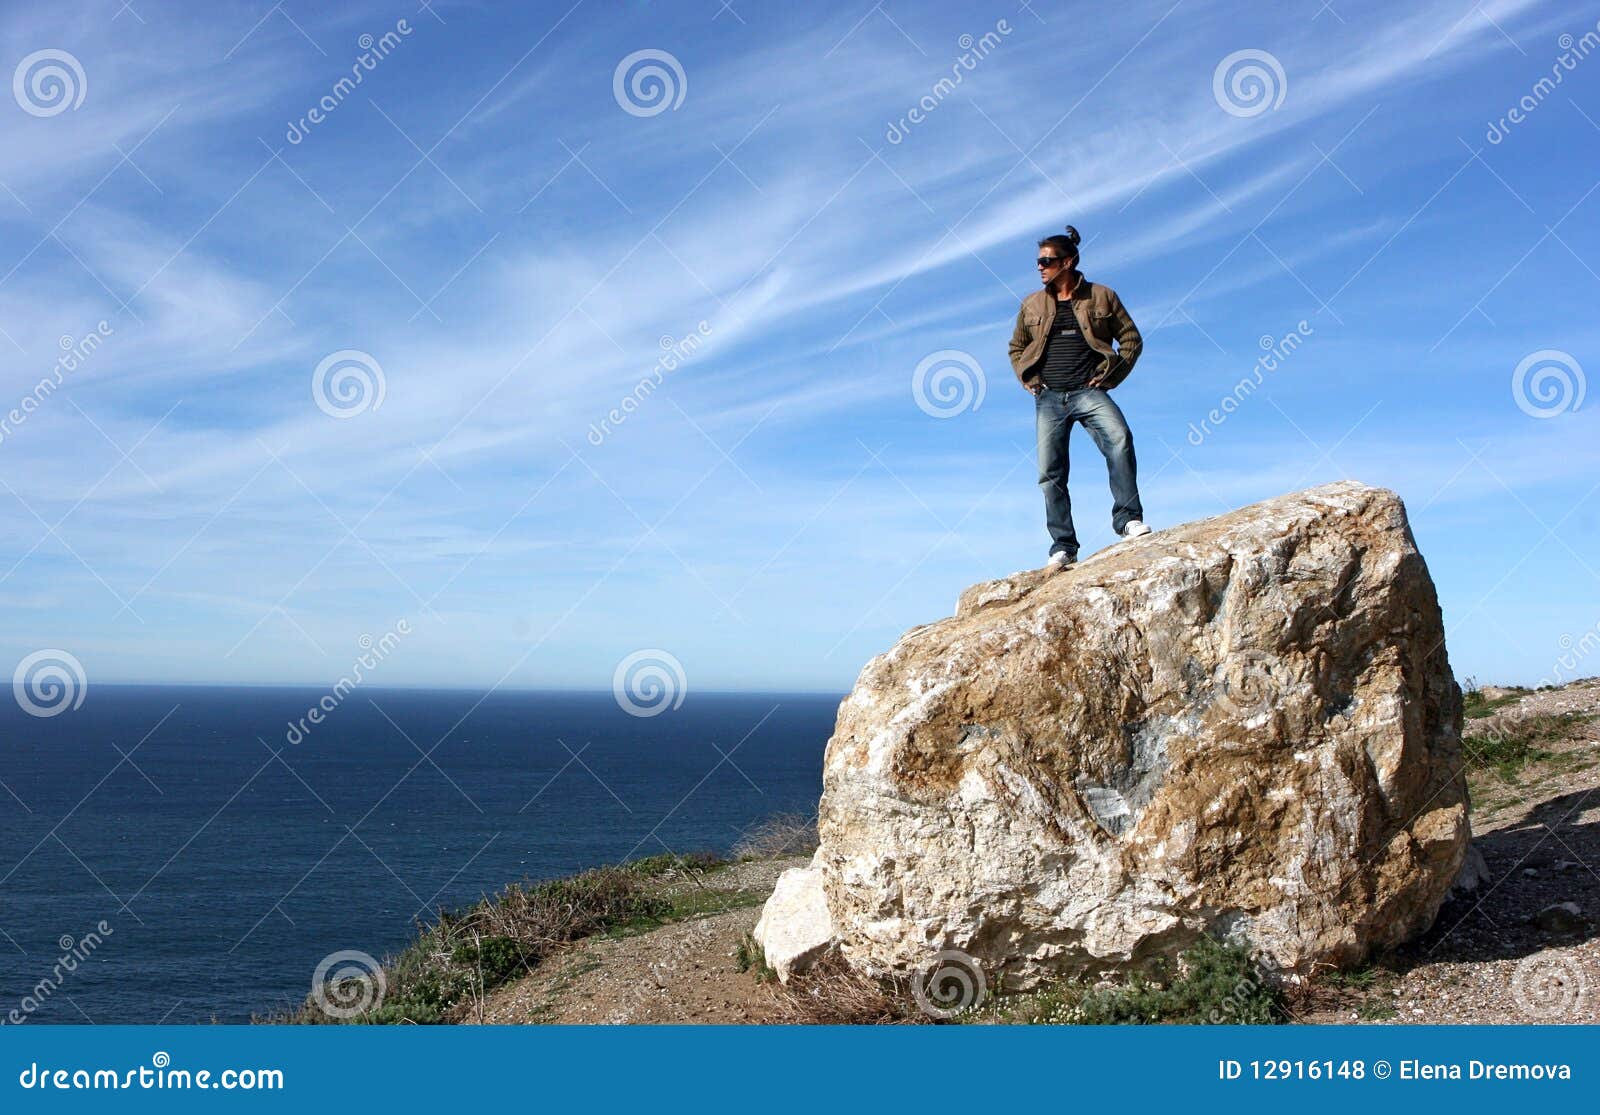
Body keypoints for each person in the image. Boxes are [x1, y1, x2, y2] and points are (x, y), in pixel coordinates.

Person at [1007, 226, 1149, 570]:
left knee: (1119, 439)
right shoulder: (1032, 304)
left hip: (1089, 391)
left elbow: (1131, 340)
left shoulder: (1102, 296)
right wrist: (1027, 376)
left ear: (1067, 262)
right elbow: (1016, 347)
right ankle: (1063, 546)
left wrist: (1110, 377)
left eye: (1047, 261)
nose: (1040, 267)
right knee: (1050, 472)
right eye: (1038, 262)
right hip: (1050, 396)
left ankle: (1128, 519)